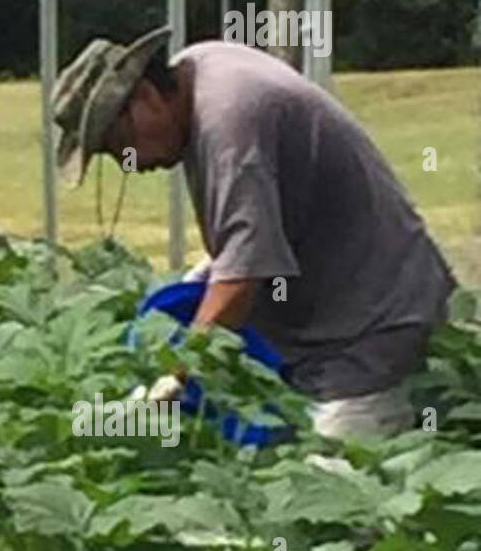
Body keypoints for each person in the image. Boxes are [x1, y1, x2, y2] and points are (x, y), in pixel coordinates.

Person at [52, 26, 457, 439]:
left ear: (146, 97)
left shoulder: (230, 119)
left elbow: (244, 277)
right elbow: (259, 221)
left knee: (334, 490)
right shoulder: (200, 65)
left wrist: (177, 375)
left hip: (369, 332)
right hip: (336, 315)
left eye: (121, 144)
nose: (129, 164)